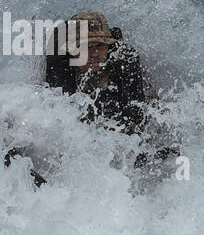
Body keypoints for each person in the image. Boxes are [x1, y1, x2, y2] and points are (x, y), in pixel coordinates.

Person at [45, 11, 177, 167]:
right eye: (87, 46)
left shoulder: (124, 63)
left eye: (100, 45)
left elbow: (136, 119)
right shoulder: (61, 68)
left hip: (132, 98)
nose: (94, 53)